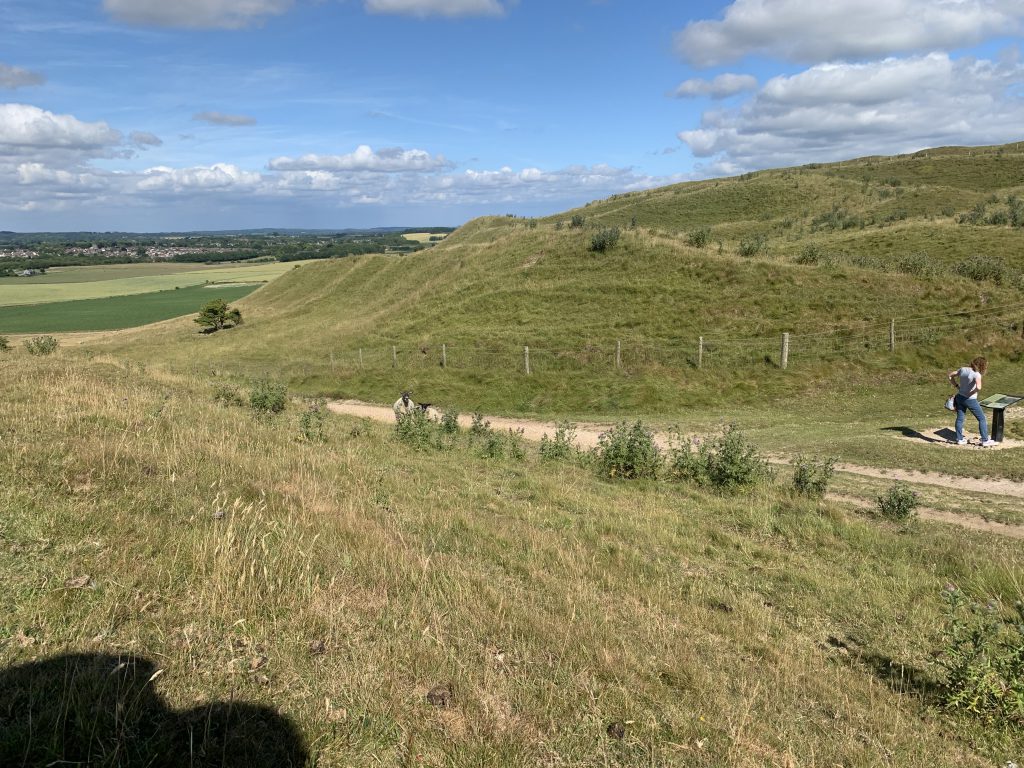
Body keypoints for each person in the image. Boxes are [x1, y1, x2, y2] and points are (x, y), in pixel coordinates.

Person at [948, 357, 996, 447]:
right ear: (982, 366)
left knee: (960, 418)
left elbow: (950, 375)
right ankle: (985, 440)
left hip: (959, 397)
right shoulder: (977, 374)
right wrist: (971, 393)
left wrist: (957, 386)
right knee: (982, 418)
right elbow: (979, 387)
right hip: (970, 400)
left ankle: (959, 439)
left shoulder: (963, 369)